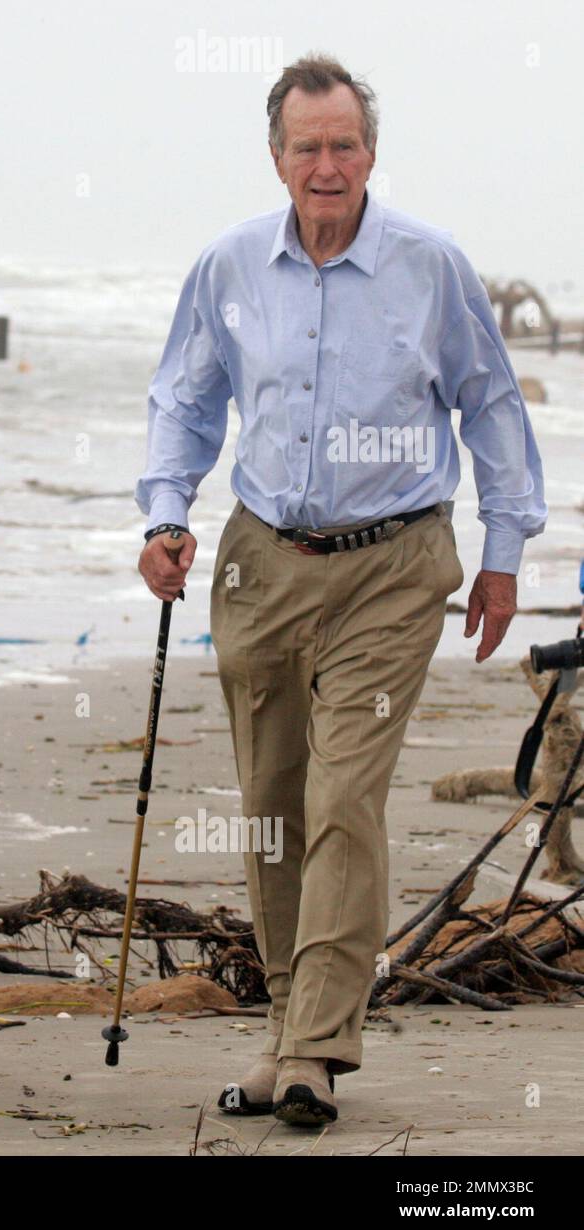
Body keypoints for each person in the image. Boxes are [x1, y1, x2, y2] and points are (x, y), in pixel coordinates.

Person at [135, 54, 546, 1126]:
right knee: (271, 808)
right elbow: (183, 399)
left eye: (344, 145)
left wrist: (502, 553)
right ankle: (283, 1033)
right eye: (307, 147)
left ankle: (316, 1049)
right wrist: (165, 514)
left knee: (342, 798)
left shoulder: (429, 265)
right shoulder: (228, 266)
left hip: (396, 563)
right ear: (276, 156)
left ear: (371, 152)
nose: (327, 166)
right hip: (263, 561)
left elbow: (491, 407)